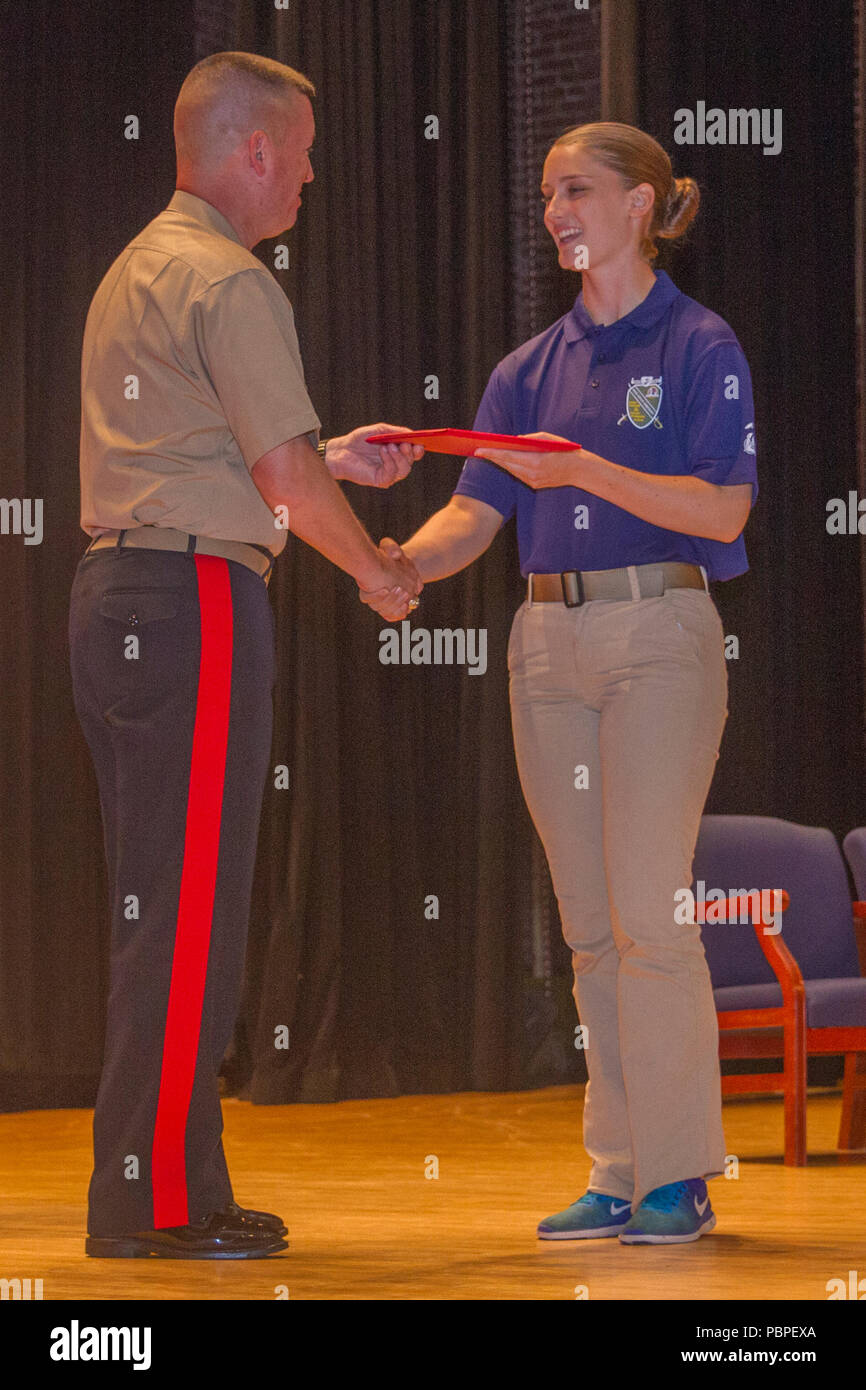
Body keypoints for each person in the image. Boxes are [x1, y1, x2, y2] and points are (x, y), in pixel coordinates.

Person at [69, 50, 421, 1260]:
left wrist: (332, 459)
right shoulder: (230, 276)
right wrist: (374, 569)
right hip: (193, 599)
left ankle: (168, 1183)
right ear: (255, 149)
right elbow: (276, 476)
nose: (312, 176)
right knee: (186, 918)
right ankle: (156, 1202)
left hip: (120, 591)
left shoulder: (138, 265)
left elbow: (230, 452)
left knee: (160, 908)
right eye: (304, 153)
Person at [385, 122, 758, 1244]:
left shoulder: (699, 343)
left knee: (650, 916)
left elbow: (722, 510)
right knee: (590, 928)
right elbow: (475, 514)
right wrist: (398, 564)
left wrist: (585, 468)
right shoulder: (522, 370)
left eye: (577, 190)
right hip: (546, 641)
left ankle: (680, 1174)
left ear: (640, 204)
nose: (556, 211)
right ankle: (619, 1167)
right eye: (547, 192)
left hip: (659, 631)